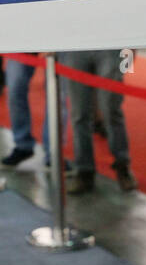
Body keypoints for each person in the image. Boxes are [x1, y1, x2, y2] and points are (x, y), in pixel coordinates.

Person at [57, 50, 137, 193]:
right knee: (79, 113)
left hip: (111, 47)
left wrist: (128, 59)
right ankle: (84, 171)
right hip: (76, 47)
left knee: (111, 110)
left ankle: (122, 165)